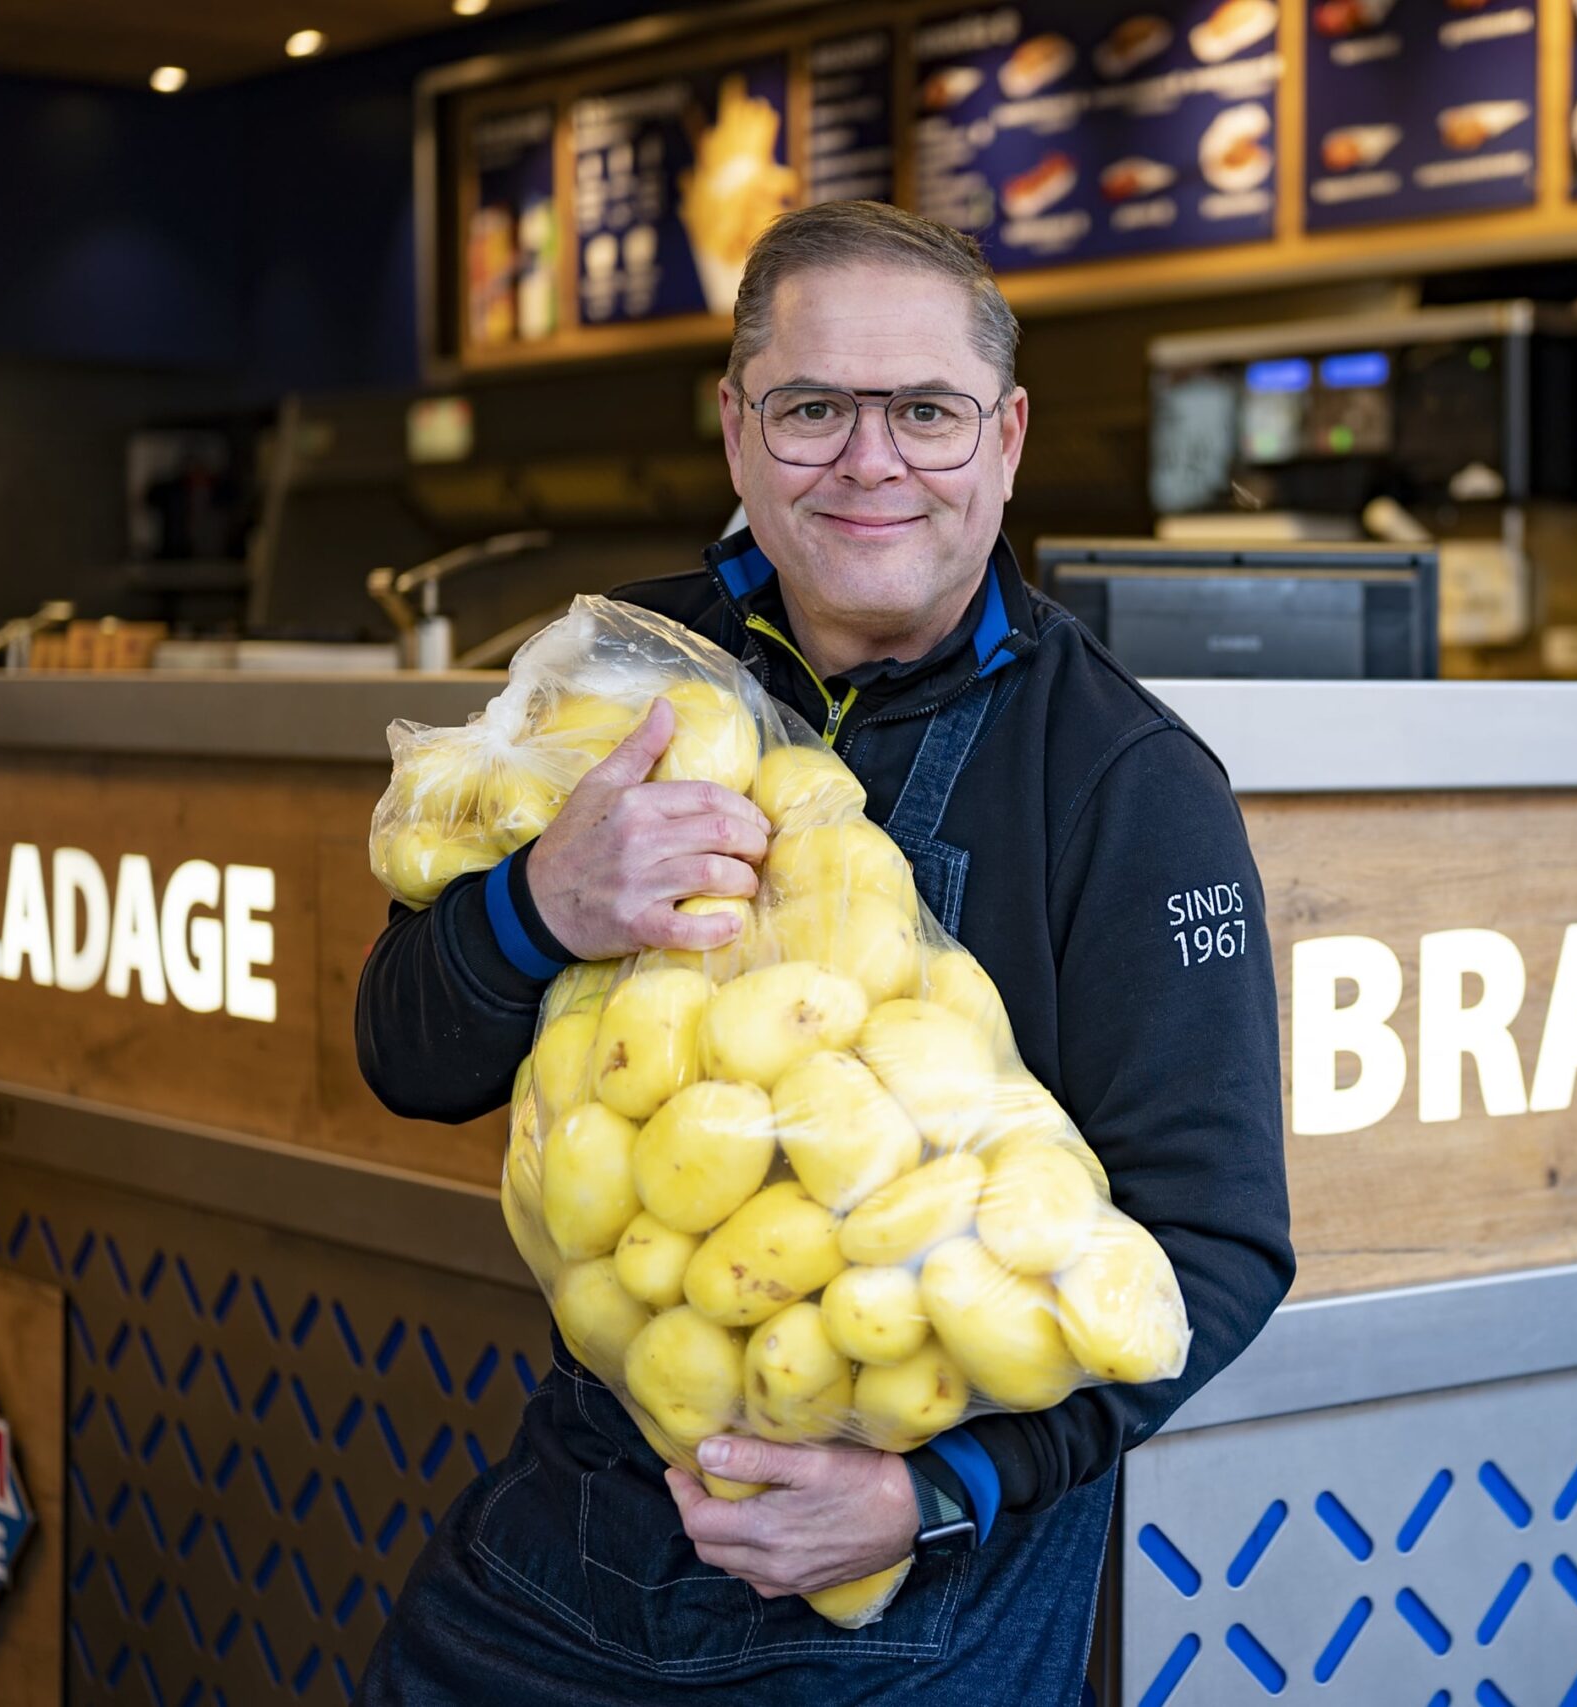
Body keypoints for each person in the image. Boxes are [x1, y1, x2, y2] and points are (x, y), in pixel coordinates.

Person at [352, 200, 1294, 1703]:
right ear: (736, 432)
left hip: (920, 1578)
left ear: (1006, 436)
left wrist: (928, 1495)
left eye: (927, 409)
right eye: (812, 410)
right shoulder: (618, 676)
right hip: (583, 1515)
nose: (872, 462)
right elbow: (403, 1056)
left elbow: (1221, 1248)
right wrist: (540, 904)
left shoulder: (1124, 779)